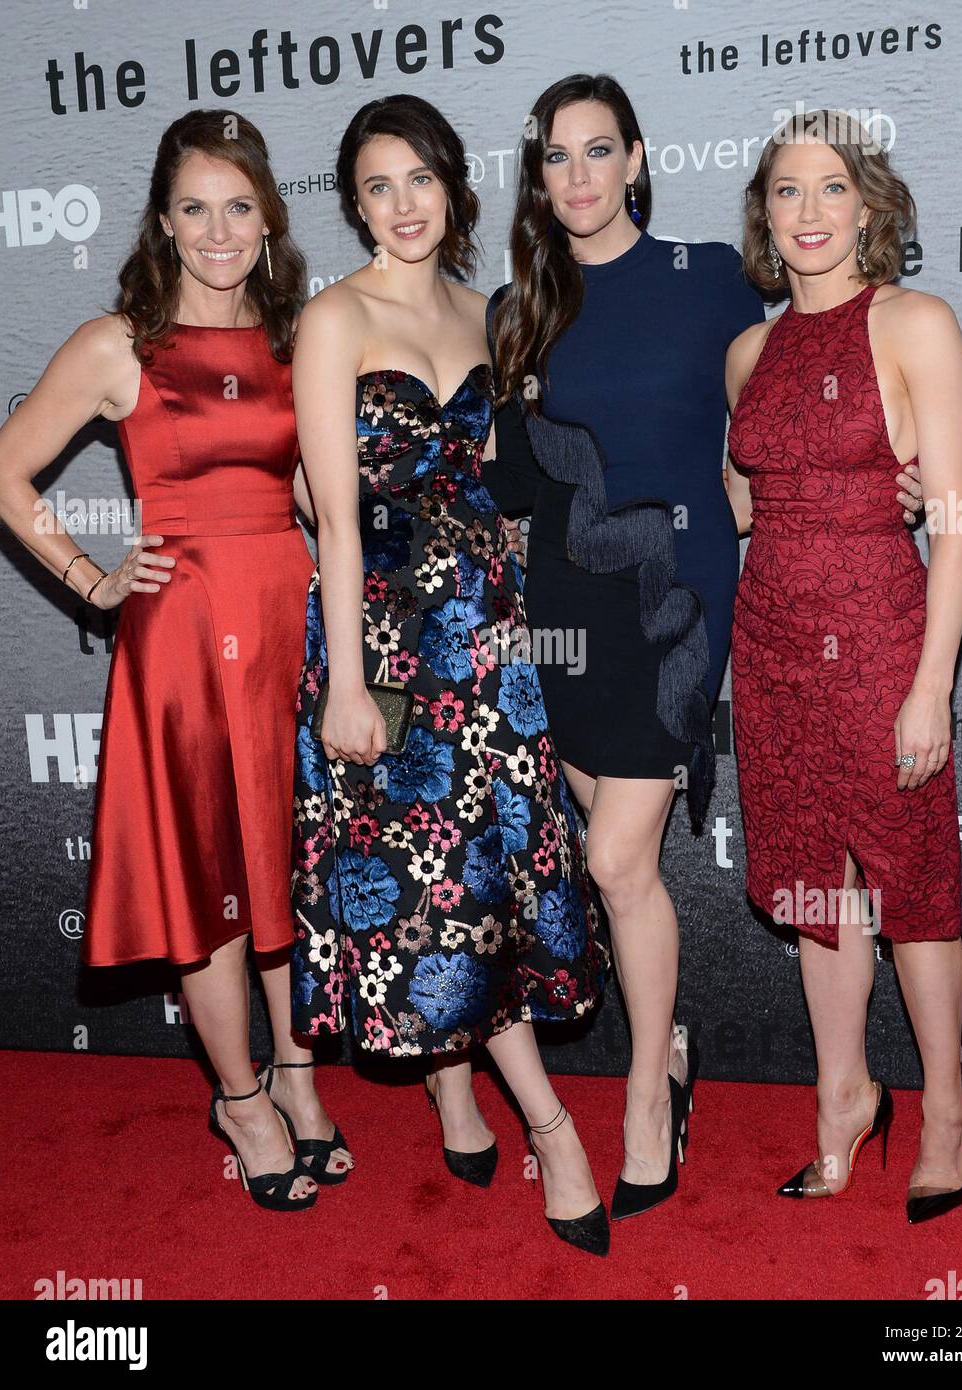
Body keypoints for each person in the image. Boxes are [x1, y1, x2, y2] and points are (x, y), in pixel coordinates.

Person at [482, 74, 929, 1220]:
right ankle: (671, 1056)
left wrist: (900, 471)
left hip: (677, 606)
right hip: (561, 609)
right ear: (537, 180)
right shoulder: (518, 306)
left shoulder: (712, 280)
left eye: (600, 152)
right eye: (556, 159)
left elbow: (810, 378)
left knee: (619, 860)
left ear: (637, 159)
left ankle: (643, 1093)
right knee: (618, 863)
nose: (579, 178)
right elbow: (518, 485)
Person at [0, 109, 352, 1212]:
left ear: (269, 218)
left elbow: (315, 495)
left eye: (239, 206)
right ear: (161, 220)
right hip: (184, 644)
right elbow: (7, 473)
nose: (218, 230)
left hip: (289, 624)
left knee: (287, 860)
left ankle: (298, 1072)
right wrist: (94, 580)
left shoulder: (303, 338)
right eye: (194, 208)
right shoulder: (121, 345)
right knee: (207, 872)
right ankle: (240, 1097)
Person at [287, 93, 611, 1255]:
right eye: (377, 185)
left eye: (419, 178)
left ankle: (458, 1085)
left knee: (499, 879)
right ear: (355, 203)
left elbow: (509, 496)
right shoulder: (332, 320)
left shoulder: (492, 313)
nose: (402, 204)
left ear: (453, 187)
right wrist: (344, 687)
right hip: (383, 641)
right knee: (437, 887)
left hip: (490, 633)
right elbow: (328, 520)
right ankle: (554, 1124)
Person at [726, 110, 962, 1223]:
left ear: (869, 207)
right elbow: (748, 503)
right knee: (818, 889)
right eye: (788, 191)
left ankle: (947, 1108)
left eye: (833, 188)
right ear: (765, 215)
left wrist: (930, 685)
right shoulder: (749, 349)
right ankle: (842, 1098)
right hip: (773, 639)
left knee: (906, 881)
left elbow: (958, 527)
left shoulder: (916, 321)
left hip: (879, 630)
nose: (811, 212)